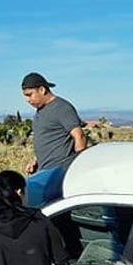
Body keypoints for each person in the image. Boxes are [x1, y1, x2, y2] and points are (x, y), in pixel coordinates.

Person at [21, 72, 86, 206]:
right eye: (25, 96)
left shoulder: (62, 108)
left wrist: (79, 167)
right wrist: (35, 160)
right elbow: (48, 139)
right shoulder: (41, 111)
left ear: (42, 90)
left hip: (57, 175)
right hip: (44, 173)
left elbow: (79, 135)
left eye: (29, 95)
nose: (27, 100)